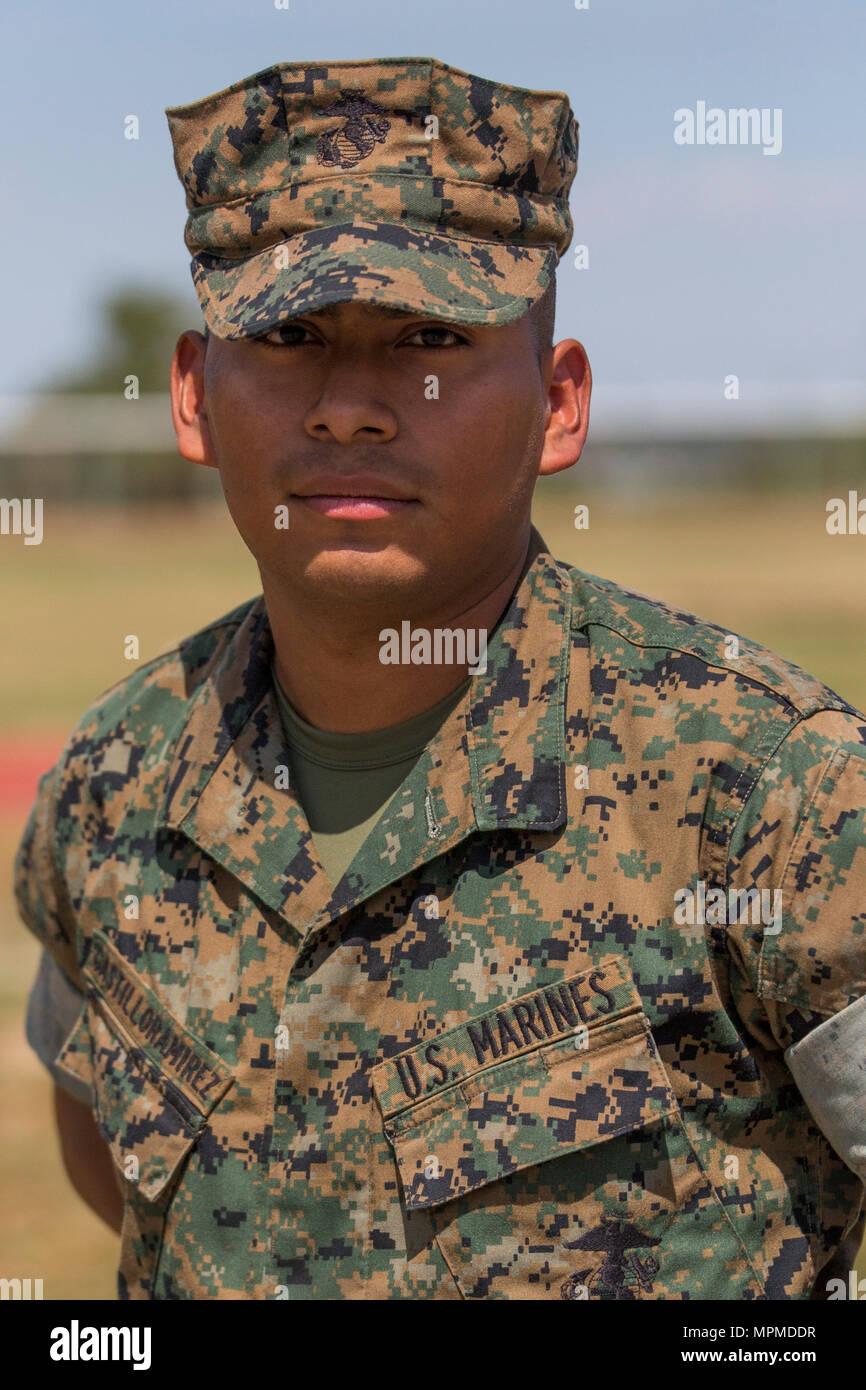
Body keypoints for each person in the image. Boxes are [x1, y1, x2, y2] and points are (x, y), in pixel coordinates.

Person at [16, 56, 866, 1301]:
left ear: (558, 404)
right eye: (292, 336)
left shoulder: (768, 796)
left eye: (429, 338)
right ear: (192, 395)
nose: (354, 406)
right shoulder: (113, 784)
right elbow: (114, 1172)